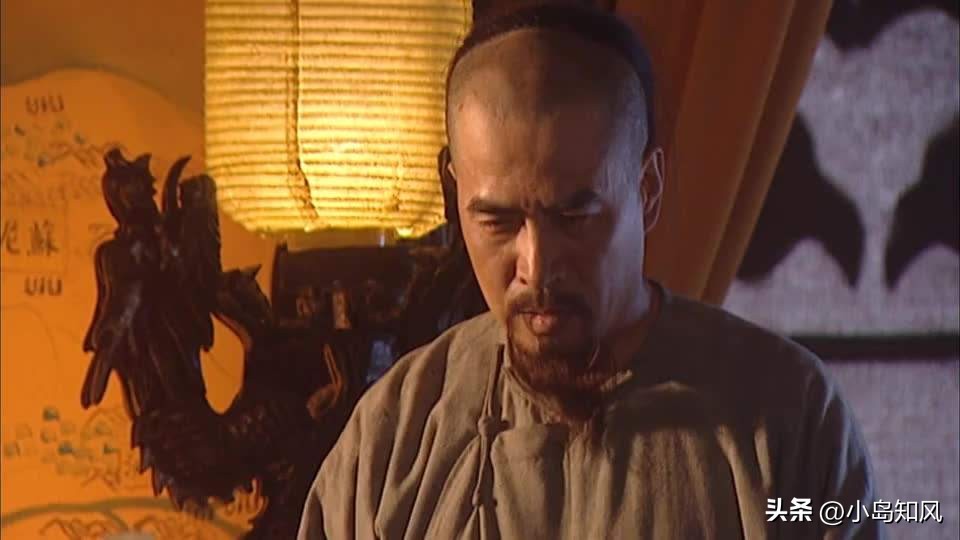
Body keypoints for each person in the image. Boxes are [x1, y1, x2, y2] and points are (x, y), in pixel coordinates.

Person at [298, 4, 884, 539]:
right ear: (454, 194)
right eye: (497, 221)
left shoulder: (784, 418)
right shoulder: (396, 435)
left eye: (574, 217)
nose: (536, 266)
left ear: (647, 189)